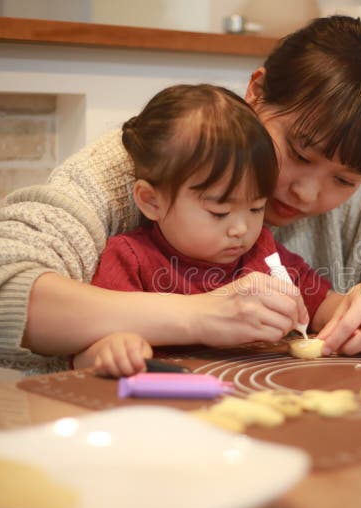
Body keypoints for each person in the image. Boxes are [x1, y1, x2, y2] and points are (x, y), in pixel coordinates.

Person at [0, 16, 361, 375]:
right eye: (300, 153)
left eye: (345, 179)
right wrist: (196, 317)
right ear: (256, 91)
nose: (309, 194)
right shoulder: (145, 171)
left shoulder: (357, 209)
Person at [75, 84, 341, 377]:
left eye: (256, 208)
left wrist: (356, 312)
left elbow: (324, 304)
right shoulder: (132, 260)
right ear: (152, 201)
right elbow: (84, 350)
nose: (241, 229)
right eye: (220, 212)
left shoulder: (263, 251)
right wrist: (111, 350)